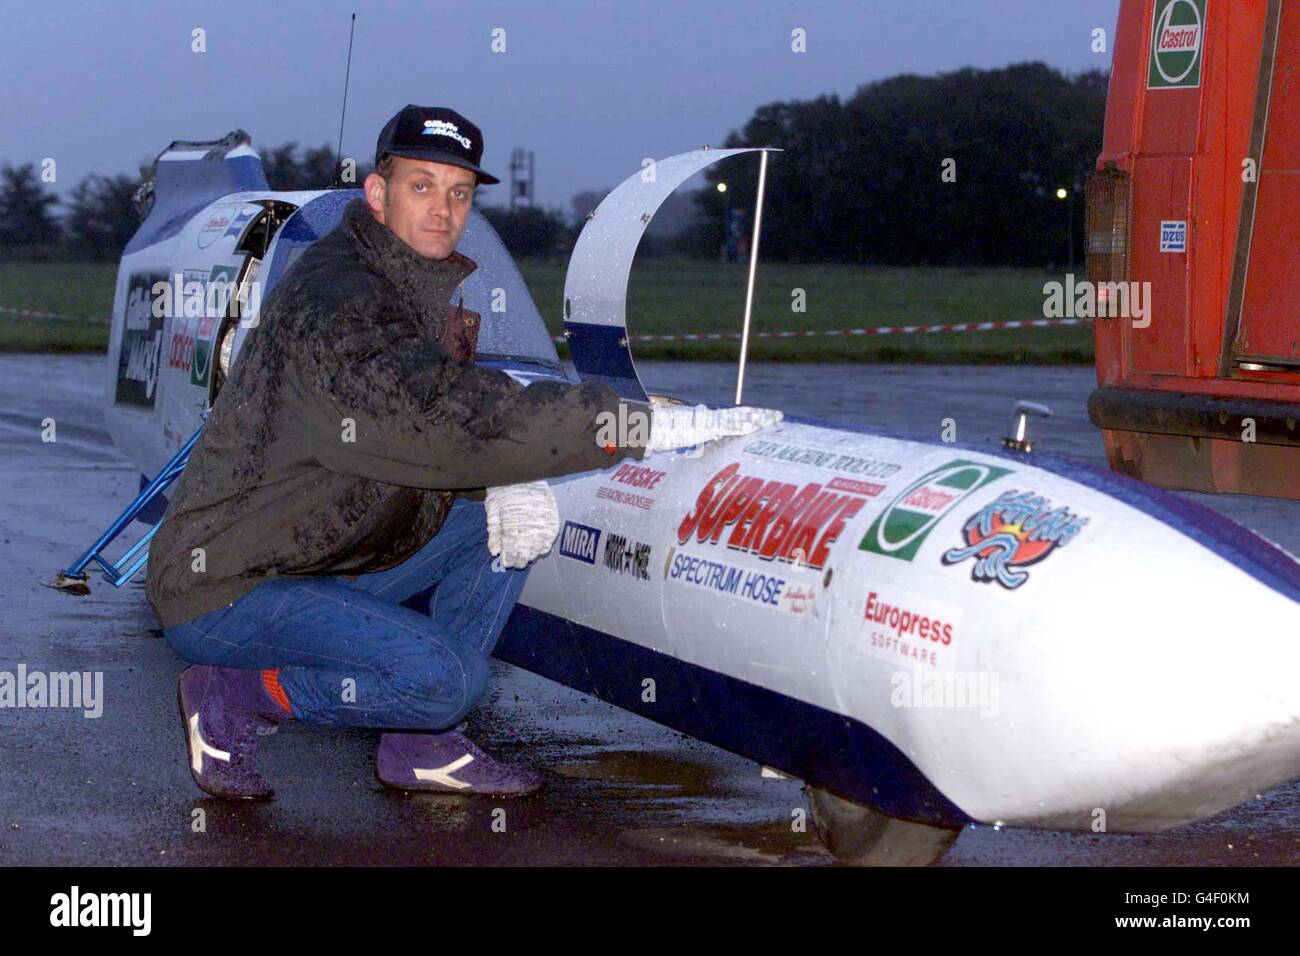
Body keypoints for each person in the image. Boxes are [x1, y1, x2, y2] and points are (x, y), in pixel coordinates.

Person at [145, 104, 780, 800]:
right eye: (422, 186)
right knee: (445, 682)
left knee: (497, 522)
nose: (444, 210)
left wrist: (496, 481)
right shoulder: (338, 301)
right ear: (378, 195)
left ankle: (420, 748)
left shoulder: (401, 277)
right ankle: (237, 696)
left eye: (459, 192)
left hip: (316, 552)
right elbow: (431, 417)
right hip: (230, 585)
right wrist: (632, 426)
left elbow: (443, 402)